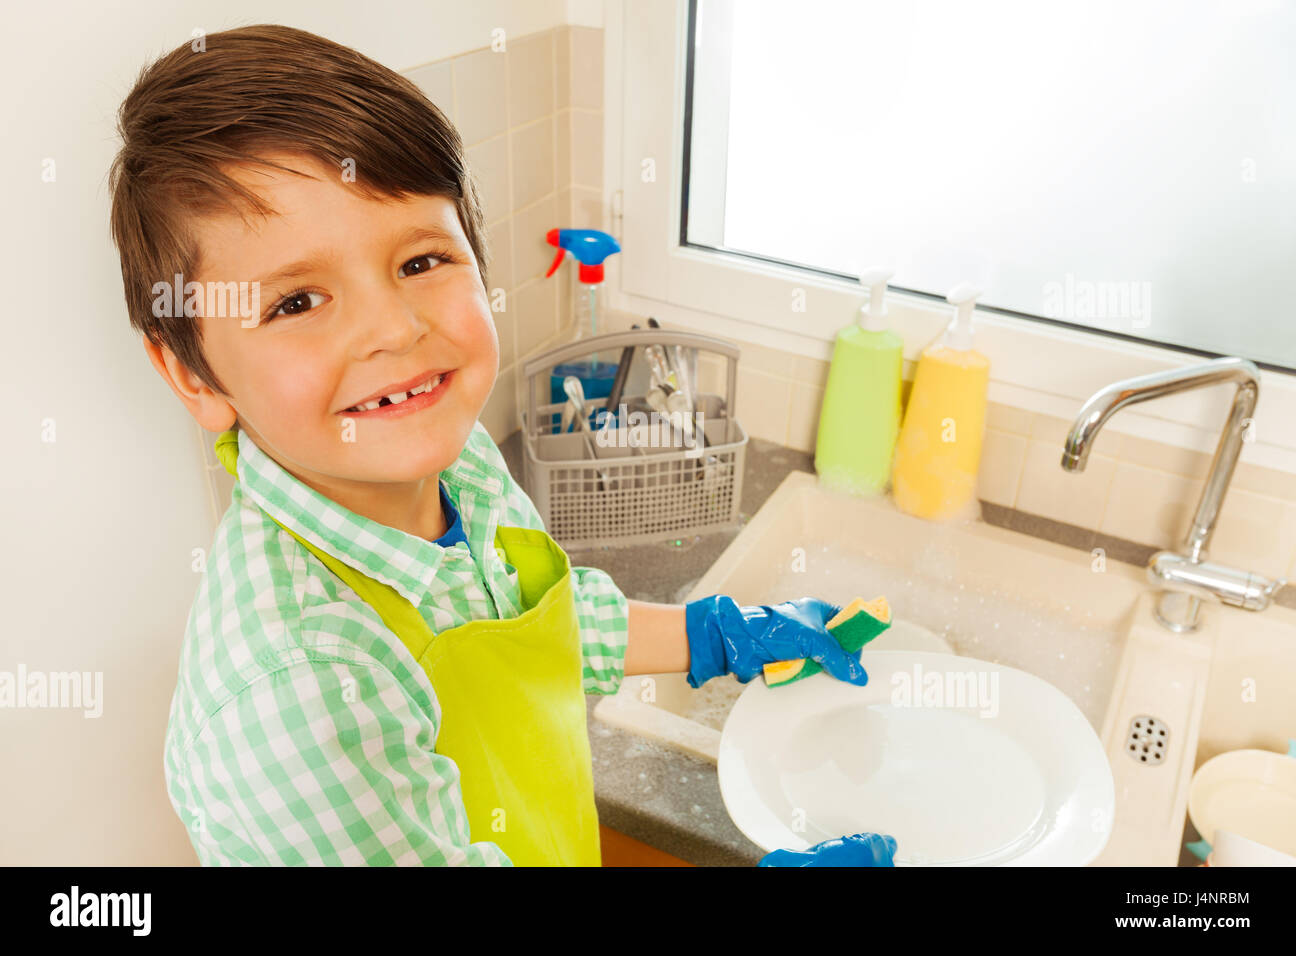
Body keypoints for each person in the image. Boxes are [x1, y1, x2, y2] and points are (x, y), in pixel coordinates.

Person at [108, 24, 892, 868]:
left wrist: (721, 634)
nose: (397, 328)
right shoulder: (298, 691)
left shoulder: (455, 459)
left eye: (420, 262)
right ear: (192, 376)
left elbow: (531, 623)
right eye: (296, 302)